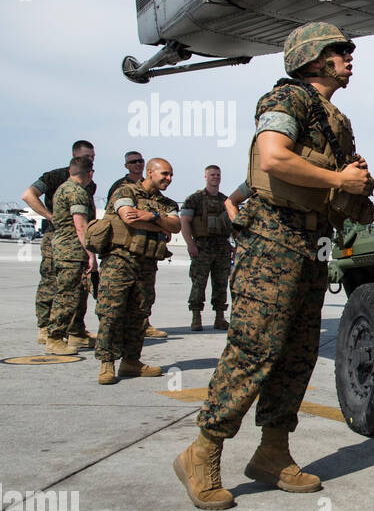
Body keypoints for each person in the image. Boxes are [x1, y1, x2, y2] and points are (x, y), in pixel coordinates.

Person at [174, 21, 374, 511]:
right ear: (313, 58)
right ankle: (203, 451)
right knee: (255, 346)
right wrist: (340, 180)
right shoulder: (287, 100)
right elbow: (274, 158)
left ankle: (272, 451)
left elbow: (341, 182)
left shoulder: (336, 119)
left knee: (298, 351)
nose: (350, 57)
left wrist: (357, 188)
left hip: (311, 243)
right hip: (271, 240)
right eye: (339, 51)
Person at [95, 158, 180, 385]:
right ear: (149, 172)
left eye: (171, 175)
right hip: (119, 260)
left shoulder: (166, 203)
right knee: (111, 311)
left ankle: (131, 361)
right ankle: (107, 362)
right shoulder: (125, 191)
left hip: (147, 263)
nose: (169, 179)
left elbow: (176, 225)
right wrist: (159, 225)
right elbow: (128, 218)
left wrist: (152, 216)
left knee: (140, 313)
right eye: (164, 174)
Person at [22, 140, 97, 345]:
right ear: (74, 155)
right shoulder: (56, 177)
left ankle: (75, 329)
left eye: (92, 156)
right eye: (87, 156)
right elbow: (28, 195)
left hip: (77, 239)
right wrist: (50, 216)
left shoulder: (88, 182)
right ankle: (46, 328)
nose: (91, 159)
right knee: (52, 282)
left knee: (80, 286)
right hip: (59, 238)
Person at [42, 157, 97, 355]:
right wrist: (91, 254)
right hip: (72, 251)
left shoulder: (62, 188)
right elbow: (81, 226)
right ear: (90, 174)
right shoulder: (77, 192)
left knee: (78, 294)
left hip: (64, 249)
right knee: (68, 295)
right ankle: (55, 337)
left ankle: (76, 333)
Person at [180, 165, 238, 331]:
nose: (215, 177)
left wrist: (235, 246)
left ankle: (220, 317)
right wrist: (190, 244)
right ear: (205, 177)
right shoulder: (195, 199)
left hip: (221, 247)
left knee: (221, 284)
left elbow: (234, 225)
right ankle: (196, 317)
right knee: (199, 283)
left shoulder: (226, 201)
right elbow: (185, 221)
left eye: (218, 175)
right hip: (202, 247)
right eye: (212, 175)